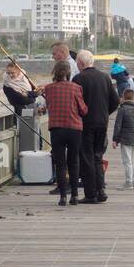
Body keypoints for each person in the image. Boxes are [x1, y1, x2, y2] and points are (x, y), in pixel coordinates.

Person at [72, 50, 119, 204]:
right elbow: (115, 101)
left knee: (87, 158)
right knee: (98, 157)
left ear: (80, 63)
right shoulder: (105, 77)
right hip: (102, 123)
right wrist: (105, 113)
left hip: (85, 123)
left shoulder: (78, 79)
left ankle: (91, 193)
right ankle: (101, 190)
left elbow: (74, 103)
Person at [41, 60, 88, 206]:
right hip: (74, 129)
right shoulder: (76, 88)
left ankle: (62, 197)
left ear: (54, 73)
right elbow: (83, 110)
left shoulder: (48, 89)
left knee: (60, 164)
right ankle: (74, 195)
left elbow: (48, 105)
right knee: (74, 162)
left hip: (56, 129)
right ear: (68, 73)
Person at [111, 88, 134, 189]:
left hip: (125, 138)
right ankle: (133, 180)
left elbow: (118, 126)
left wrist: (115, 139)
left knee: (127, 160)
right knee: (133, 160)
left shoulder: (122, 110)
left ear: (123, 98)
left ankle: (129, 182)